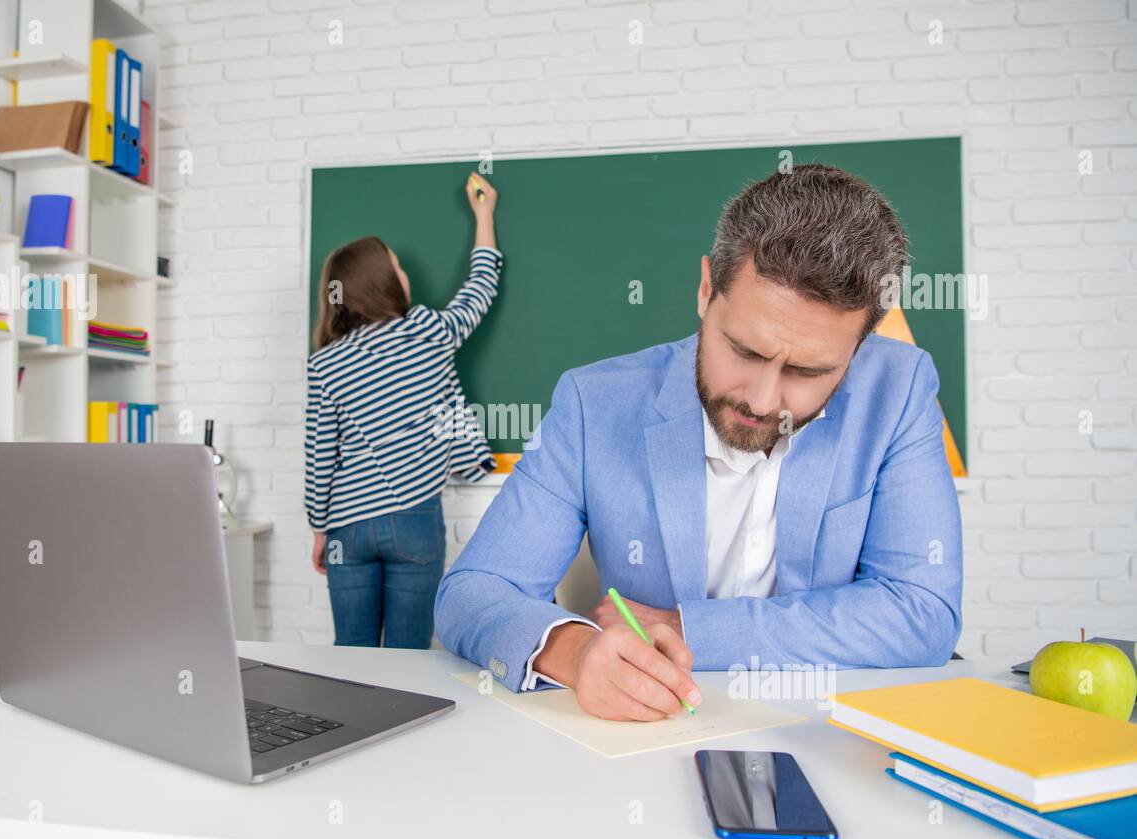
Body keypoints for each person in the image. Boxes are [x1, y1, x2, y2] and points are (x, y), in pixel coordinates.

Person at [435, 164, 962, 720]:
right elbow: (473, 592)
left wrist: (687, 628)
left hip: (829, 732)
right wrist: (575, 650)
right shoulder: (595, 404)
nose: (762, 401)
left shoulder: (899, 389)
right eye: (745, 351)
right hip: (648, 740)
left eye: (808, 372)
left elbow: (922, 613)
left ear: (859, 346)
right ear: (707, 288)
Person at [306, 173, 502, 648]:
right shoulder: (428, 331)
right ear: (382, 284)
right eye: (398, 267)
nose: (405, 275)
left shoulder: (326, 361)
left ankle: (355, 725)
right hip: (413, 518)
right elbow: (481, 288)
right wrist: (484, 216)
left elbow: (319, 456)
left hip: (346, 525)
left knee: (351, 657)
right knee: (409, 660)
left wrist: (319, 528)